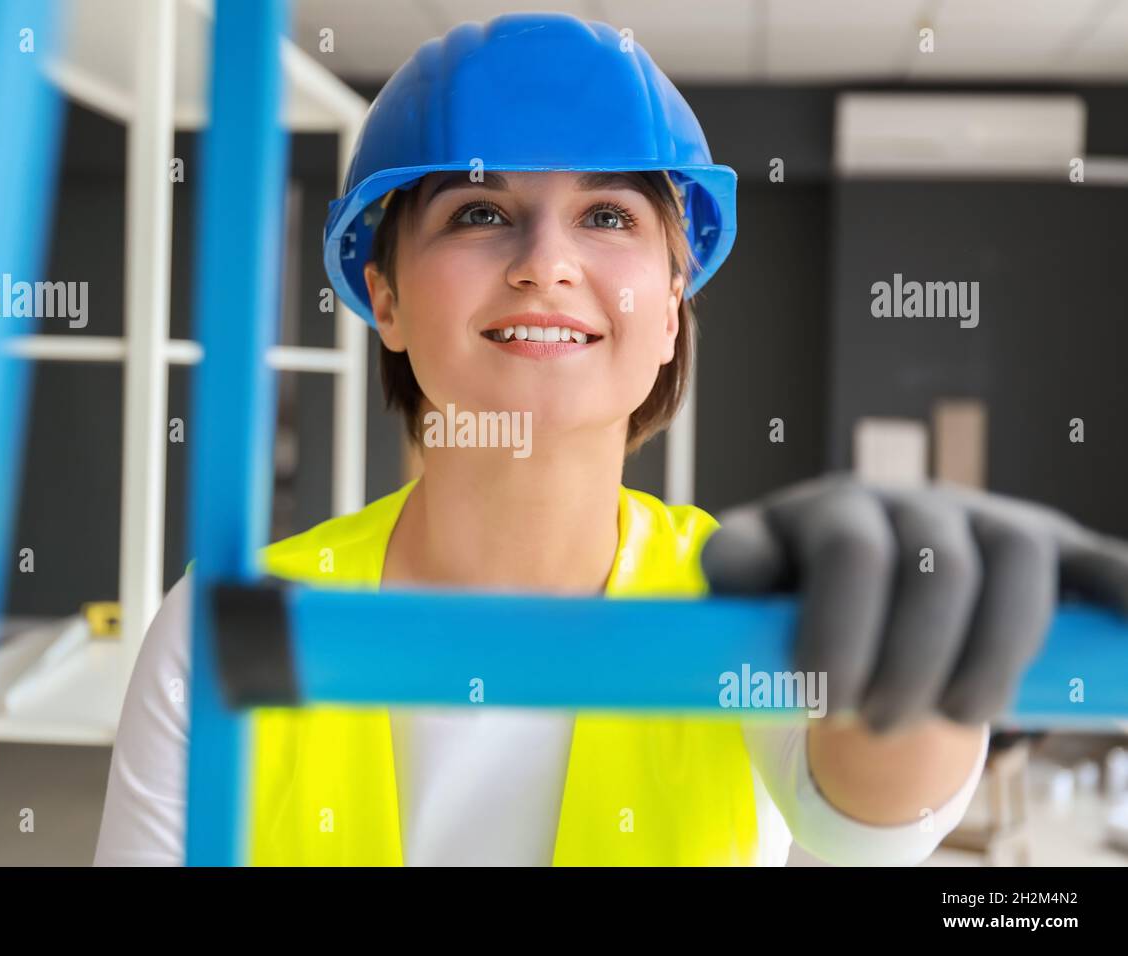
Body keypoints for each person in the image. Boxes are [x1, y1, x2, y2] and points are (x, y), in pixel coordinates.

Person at [94, 12, 1127, 866]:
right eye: (476, 211)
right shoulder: (225, 627)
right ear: (386, 297)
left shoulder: (744, 612)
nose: (546, 262)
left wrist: (920, 652)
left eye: (608, 217)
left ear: (672, 304)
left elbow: (865, 819)